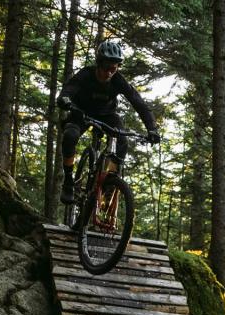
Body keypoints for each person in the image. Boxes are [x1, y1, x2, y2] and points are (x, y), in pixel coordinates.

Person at [57, 40, 160, 204]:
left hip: (107, 115)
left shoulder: (118, 80)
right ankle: (69, 181)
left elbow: (138, 102)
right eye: (106, 67)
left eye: (114, 68)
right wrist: (65, 100)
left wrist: (152, 129)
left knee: (123, 142)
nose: (110, 72)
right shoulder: (85, 74)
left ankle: (109, 182)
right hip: (81, 112)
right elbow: (68, 90)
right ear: (99, 64)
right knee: (70, 136)